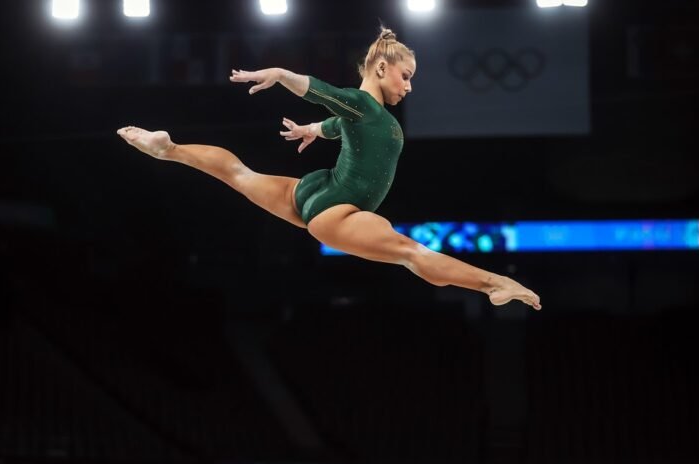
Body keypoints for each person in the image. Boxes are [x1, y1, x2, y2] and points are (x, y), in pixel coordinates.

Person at [117, 27, 542, 310]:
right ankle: (493, 284)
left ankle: (168, 149)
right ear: (381, 68)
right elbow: (323, 94)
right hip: (339, 212)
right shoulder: (362, 104)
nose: (409, 86)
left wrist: (313, 130)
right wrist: (282, 75)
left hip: (316, 192)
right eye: (406, 75)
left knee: (239, 173)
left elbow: (339, 123)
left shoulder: (367, 117)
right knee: (411, 253)